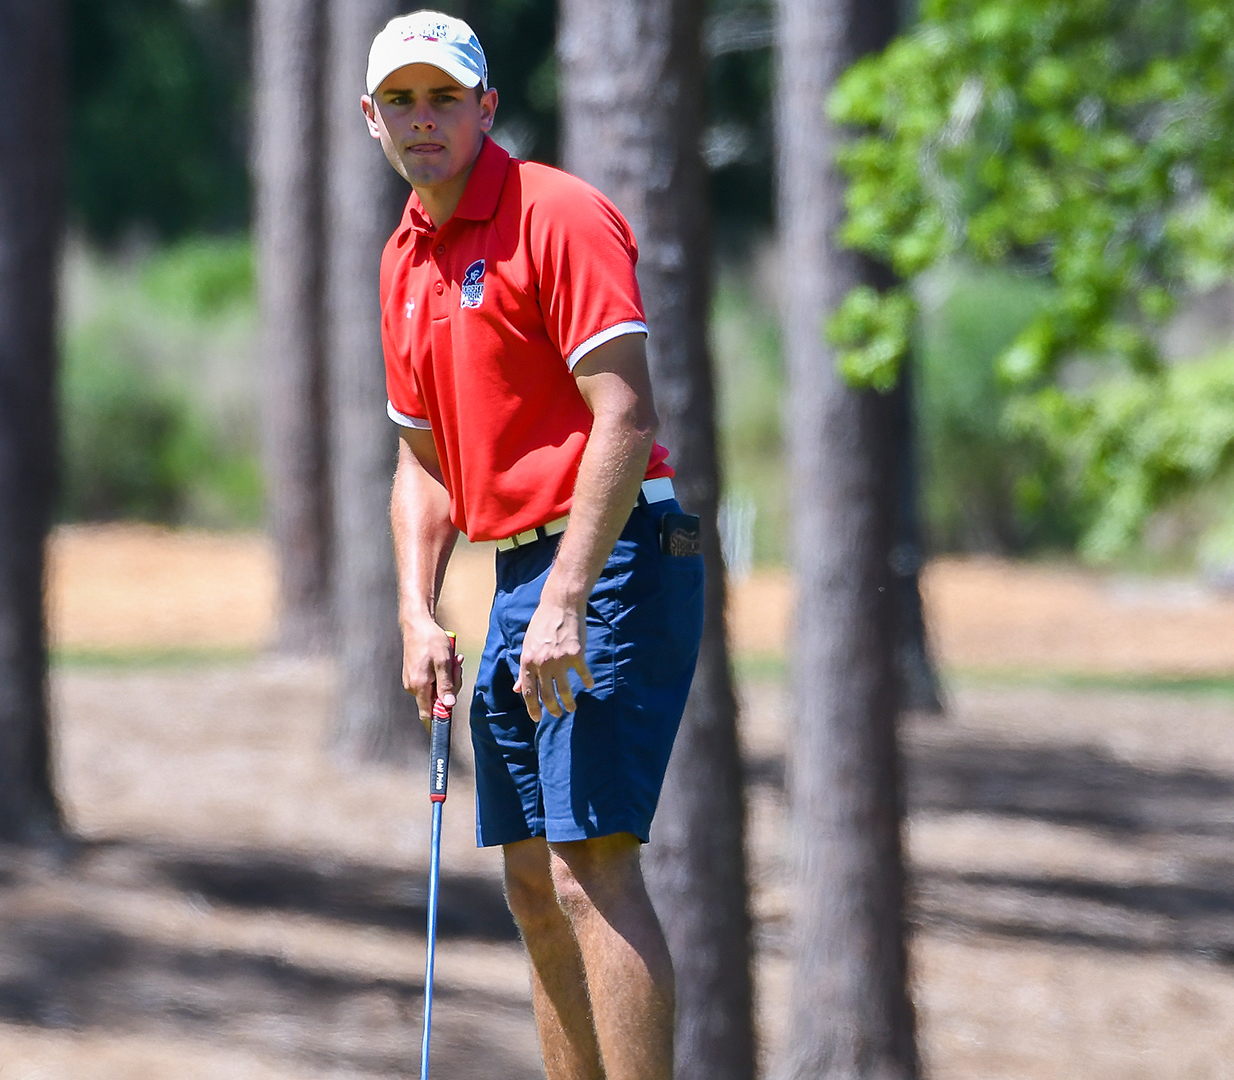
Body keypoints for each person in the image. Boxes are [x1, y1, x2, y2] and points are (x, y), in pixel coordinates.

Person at [363, 12, 701, 1079]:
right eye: (404, 103)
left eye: (445, 99)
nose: (425, 121)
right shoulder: (404, 259)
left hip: (618, 560)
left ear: (486, 108)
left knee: (588, 869)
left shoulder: (557, 214)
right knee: (527, 881)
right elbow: (423, 464)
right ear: (372, 120)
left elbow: (626, 416)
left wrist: (565, 596)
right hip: (515, 576)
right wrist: (419, 609)